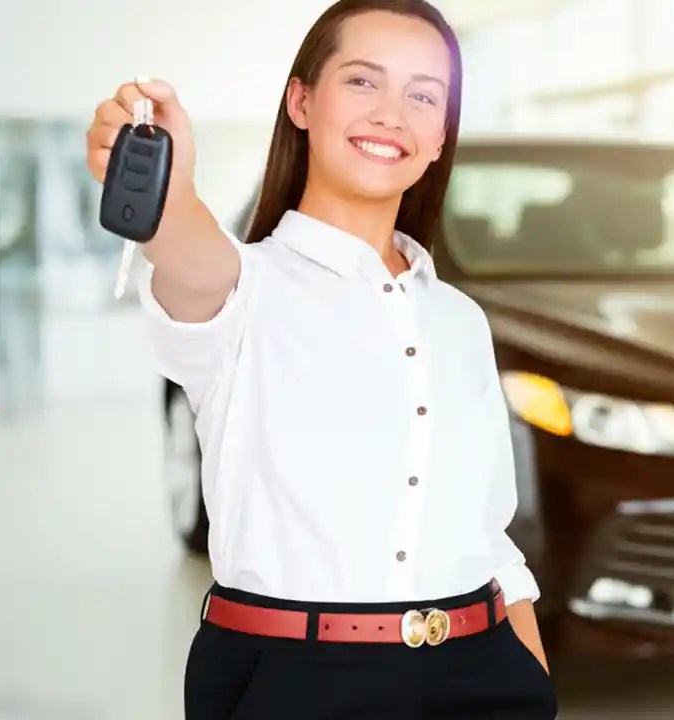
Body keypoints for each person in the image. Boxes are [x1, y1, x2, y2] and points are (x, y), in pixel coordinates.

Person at [84, 1, 558, 717]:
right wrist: (169, 195)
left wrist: (533, 684)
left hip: (483, 667)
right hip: (294, 682)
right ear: (301, 101)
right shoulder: (244, 289)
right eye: (363, 82)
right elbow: (190, 258)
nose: (392, 114)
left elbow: (490, 541)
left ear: (439, 138)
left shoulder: (460, 321)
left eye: (423, 95)